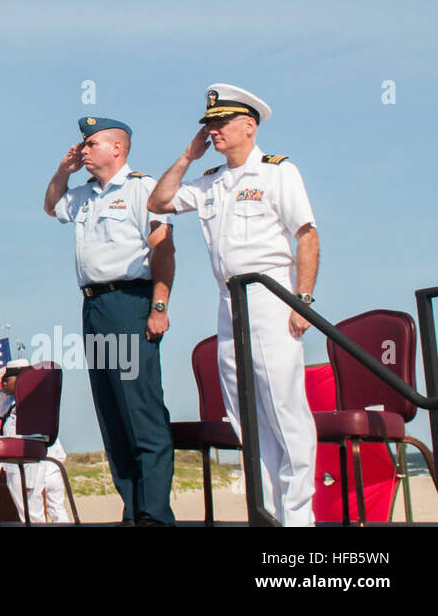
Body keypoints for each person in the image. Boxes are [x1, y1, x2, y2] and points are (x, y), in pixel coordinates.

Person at [148, 84, 320, 527]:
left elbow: (306, 234)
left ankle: (299, 518)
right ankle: (268, 514)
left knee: (284, 409)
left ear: (249, 125)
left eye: (221, 122)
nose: (214, 130)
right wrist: (188, 156)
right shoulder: (210, 183)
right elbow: (159, 201)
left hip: (270, 296)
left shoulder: (277, 173)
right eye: (209, 123)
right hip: (228, 303)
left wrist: (302, 300)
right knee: (245, 416)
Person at [44, 116, 177, 526]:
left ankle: (155, 516)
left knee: (140, 412)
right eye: (82, 145)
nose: (83, 151)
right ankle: (133, 512)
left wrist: (159, 305)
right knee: (112, 413)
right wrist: (62, 172)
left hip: (130, 302)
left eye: (91, 144)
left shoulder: (141, 188)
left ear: (117, 148)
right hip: (95, 307)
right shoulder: (83, 195)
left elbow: (163, 249)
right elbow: (51, 205)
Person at [0, 359, 71, 523]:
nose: (4, 383)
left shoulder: (25, 405)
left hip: (27, 464)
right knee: (56, 510)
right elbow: (1, 414)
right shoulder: (29, 400)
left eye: (8, 379)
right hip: (45, 462)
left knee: (31, 514)